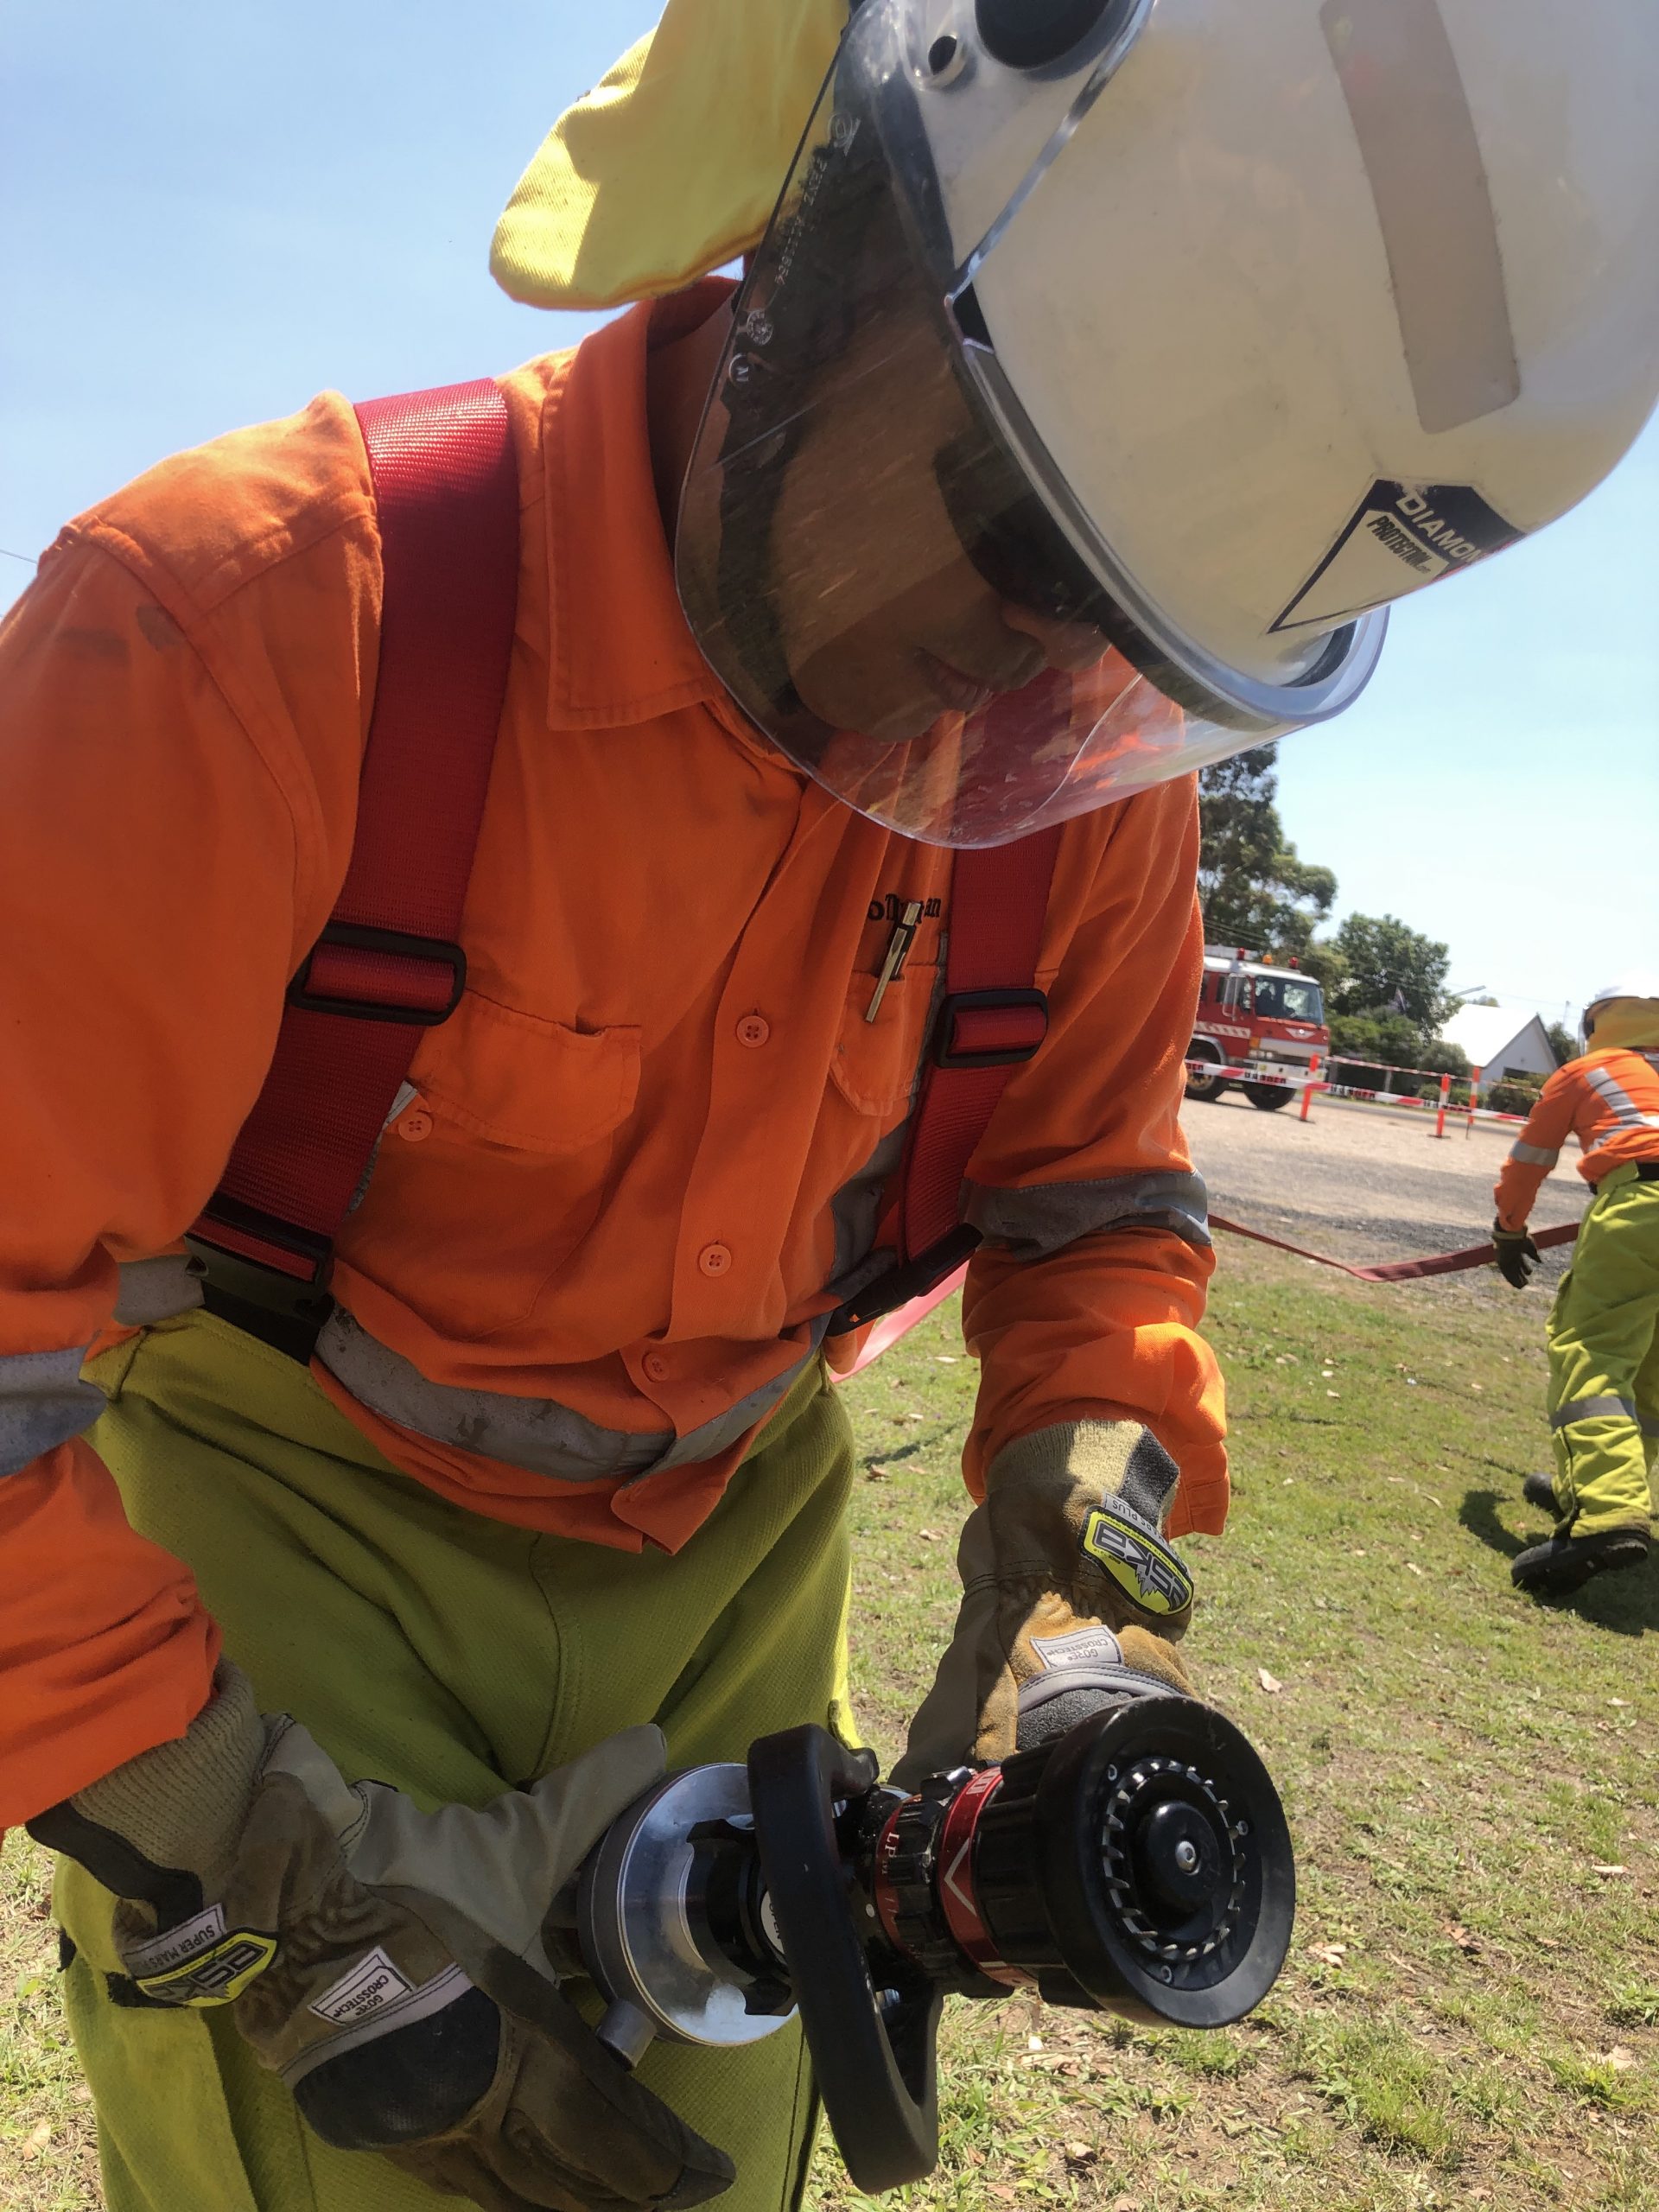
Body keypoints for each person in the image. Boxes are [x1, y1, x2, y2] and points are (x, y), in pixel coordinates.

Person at [3, 1, 1656, 2205]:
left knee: (711, 2120)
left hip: (736, 1525)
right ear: (837, 238)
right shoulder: (252, 624)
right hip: (293, 1493)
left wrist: (1089, 1488)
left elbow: (1094, 1199)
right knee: (350, 2124)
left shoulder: (1082, 773)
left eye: (1129, 640)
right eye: (1007, 525)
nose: (1027, 676)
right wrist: (240, 1834)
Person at [1497, 976, 1659, 1597]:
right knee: (1651, 1370)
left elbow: (1529, 1161)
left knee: (1593, 1352)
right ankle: (1604, 1492)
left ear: (1598, 1023)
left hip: (1639, 1207)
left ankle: (1607, 1513)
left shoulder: (1586, 1071)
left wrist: (1509, 1230)